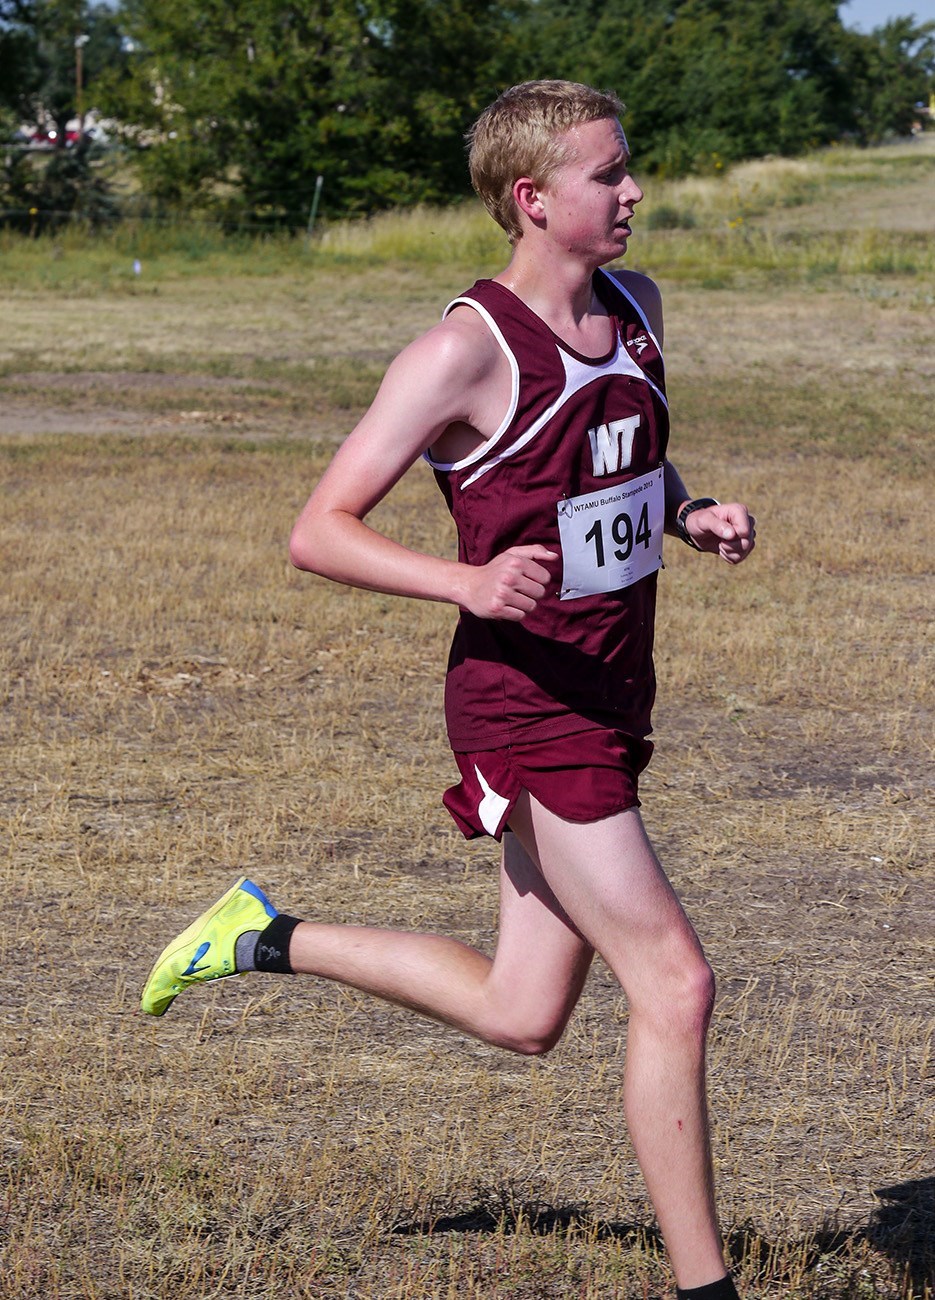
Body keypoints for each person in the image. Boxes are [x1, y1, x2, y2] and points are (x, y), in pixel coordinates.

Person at [140, 80, 755, 1300]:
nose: (632, 191)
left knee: (524, 1011)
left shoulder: (637, 310)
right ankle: (707, 1290)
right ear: (531, 200)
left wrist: (685, 511)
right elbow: (319, 529)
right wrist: (462, 583)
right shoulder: (459, 351)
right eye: (606, 174)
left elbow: (620, 450)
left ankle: (256, 935)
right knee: (676, 983)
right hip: (525, 708)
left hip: (611, 690)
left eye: (628, 168)